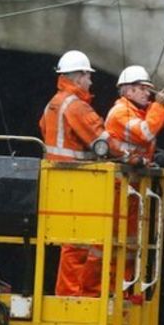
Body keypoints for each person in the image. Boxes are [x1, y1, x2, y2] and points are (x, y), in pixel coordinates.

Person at [76, 65, 164, 297]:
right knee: (104, 245)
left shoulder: (145, 109)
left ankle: (122, 289)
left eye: (148, 89)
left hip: (134, 189)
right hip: (117, 188)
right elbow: (146, 132)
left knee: (130, 246)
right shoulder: (120, 113)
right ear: (127, 91)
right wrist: (159, 105)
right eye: (141, 89)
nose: (147, 94)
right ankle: (90, 291)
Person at [38, 50, 127, 296]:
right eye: (88, 76)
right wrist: (132, 157)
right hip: (79, 182)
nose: (90, 81)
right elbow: (102, 140)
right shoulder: (76, 106)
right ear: (78, 77)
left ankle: (70, 291)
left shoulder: (52, 105)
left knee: (72, 241)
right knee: (81, 243)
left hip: (57, 183)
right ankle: (77, 294)